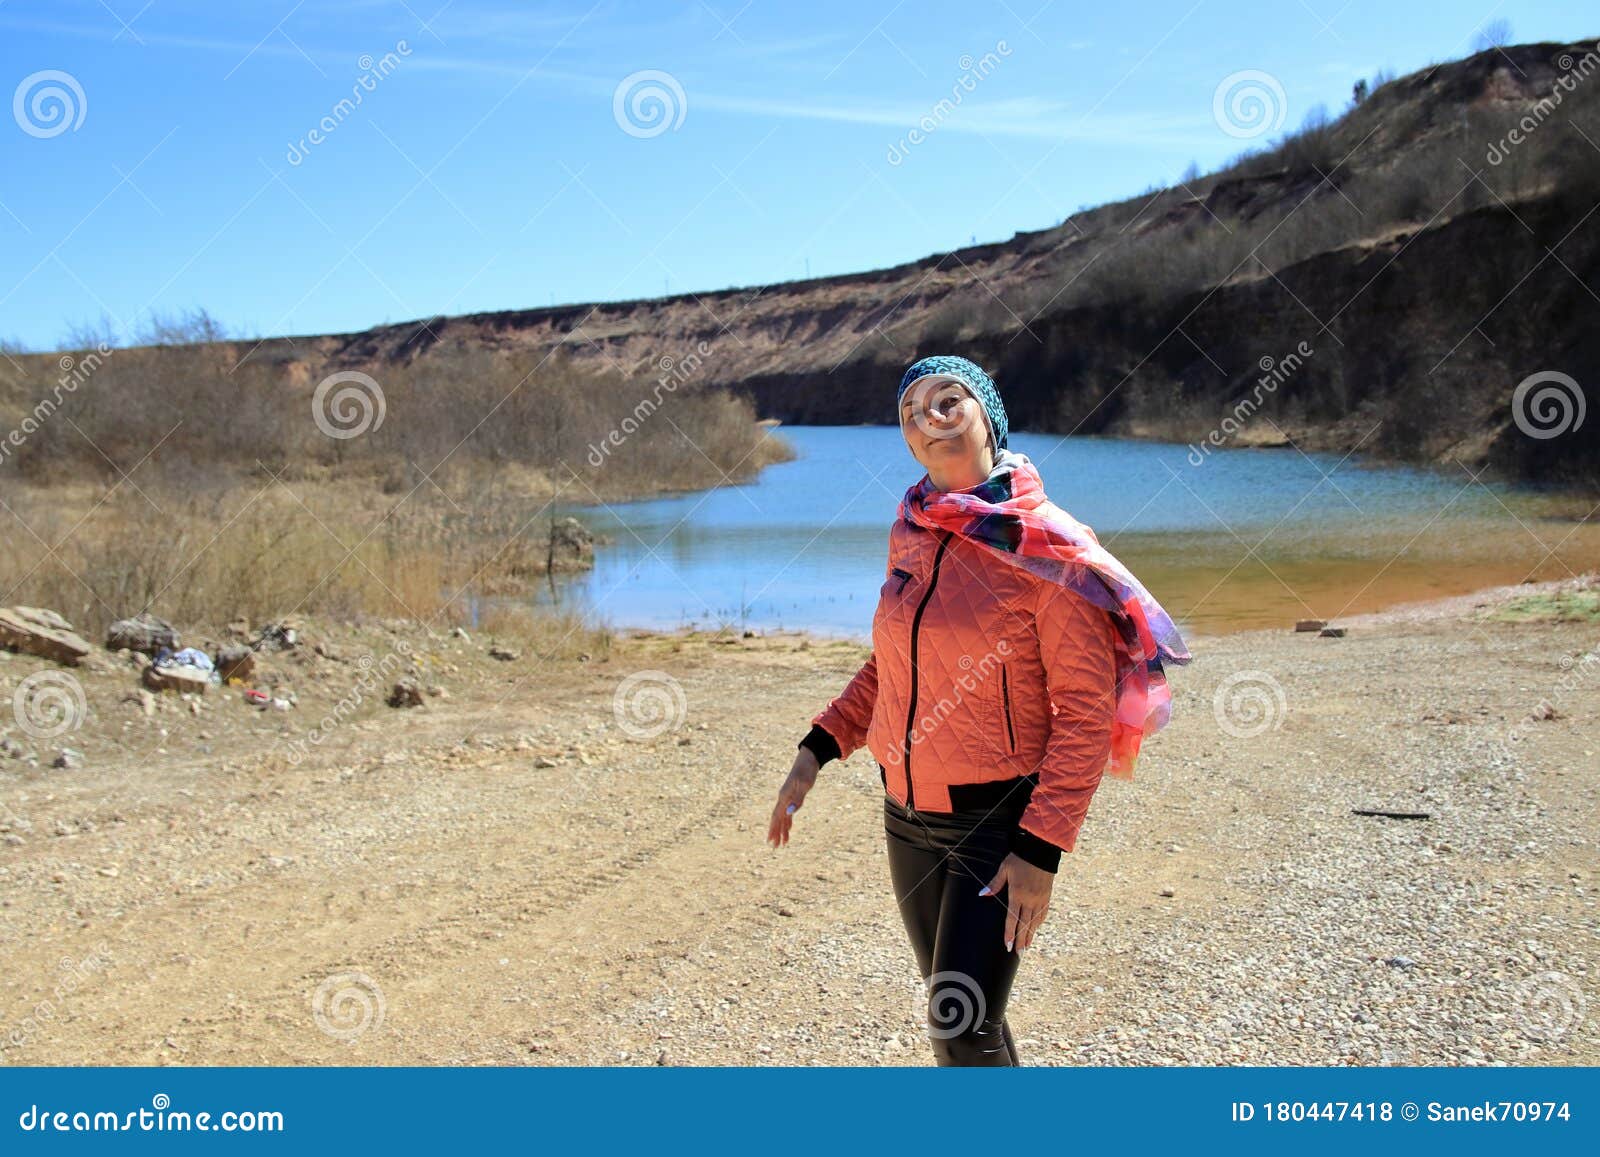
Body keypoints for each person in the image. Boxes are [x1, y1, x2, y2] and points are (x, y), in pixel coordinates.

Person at [766, 354, 1192, 1066]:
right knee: (971, 1019)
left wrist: (1040, 847)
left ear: (987, 415)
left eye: (947, 400)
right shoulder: (913, 527)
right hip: (906, 817)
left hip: (996, 826)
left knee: (959, 1027)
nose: (927, 420)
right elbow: (890, 662)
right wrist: (818, 746)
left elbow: (1085, 713)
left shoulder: (1046, 544)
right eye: (910, 412)